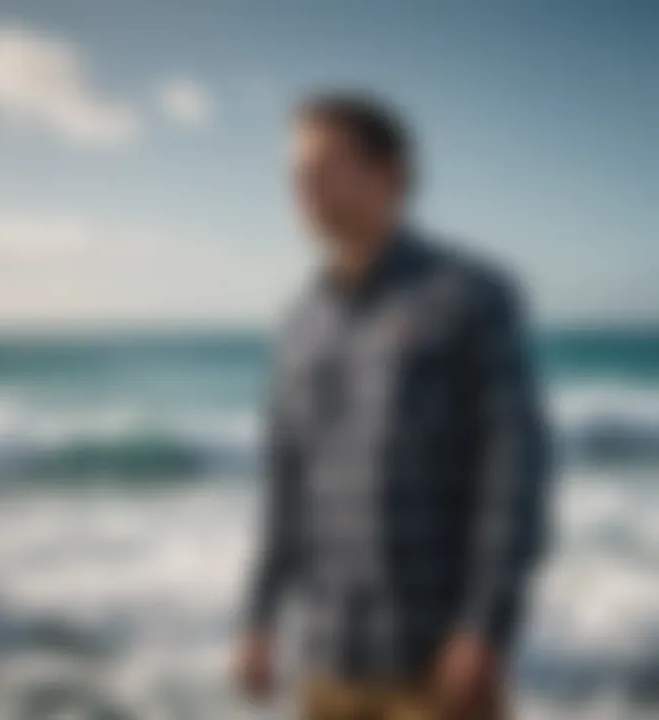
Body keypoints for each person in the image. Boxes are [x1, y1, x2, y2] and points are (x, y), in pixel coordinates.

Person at [234, 92, 549, 719]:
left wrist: (486, 625)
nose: (302, 185)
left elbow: (516, 472)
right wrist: (258, 619)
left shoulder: (469, 297)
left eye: (323, 167)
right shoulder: (299, 323)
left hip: (436, 662)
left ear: (393, 175)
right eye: (296, 172)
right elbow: (285, 484)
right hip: (327, 661)